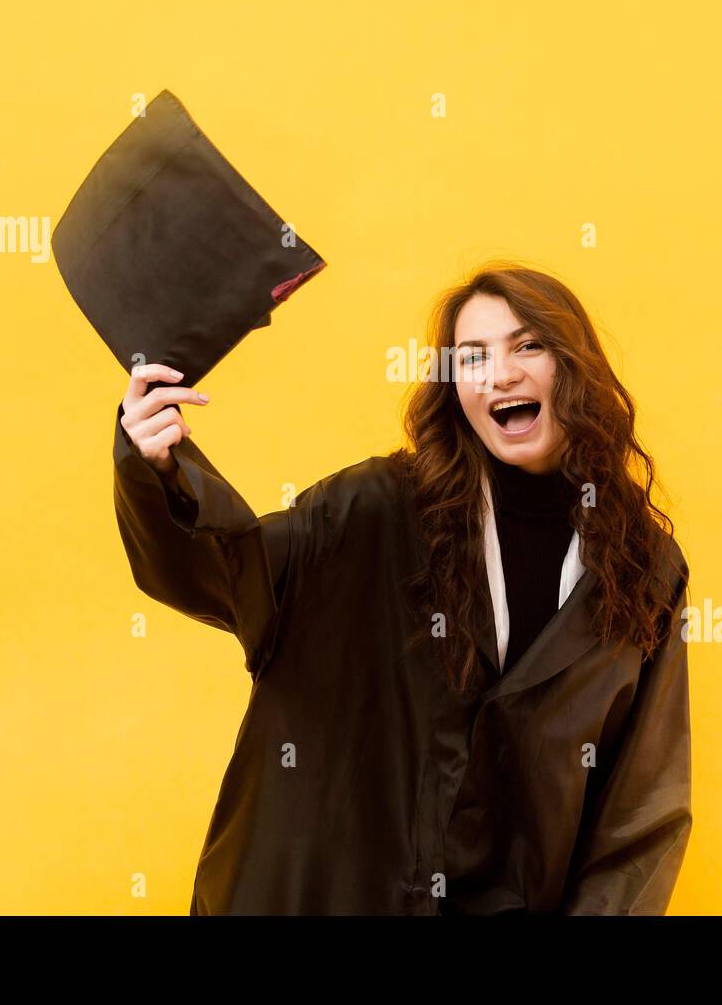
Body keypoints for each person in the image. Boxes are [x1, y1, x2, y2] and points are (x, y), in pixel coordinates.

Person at [112, 262, 692, 915]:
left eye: (529, 345)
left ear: (574, 365)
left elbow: (640, 807)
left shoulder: (643, 568)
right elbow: (226, 573)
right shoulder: (376, 509)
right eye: (472, 357)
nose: (500, 374)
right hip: (330, 893)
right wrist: (157, 468)